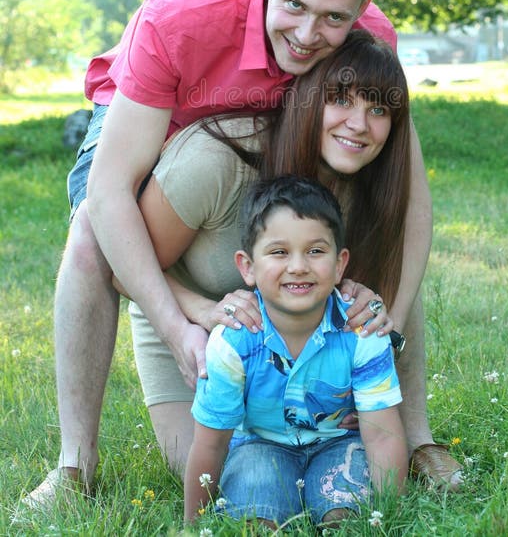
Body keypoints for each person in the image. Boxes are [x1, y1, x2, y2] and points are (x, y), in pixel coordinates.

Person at [23, 0, 460, 511]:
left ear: (359, 14)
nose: (309, 34)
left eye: (334, 18)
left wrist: (389, 319)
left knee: (364, 229)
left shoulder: (368, 38)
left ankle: (418, 441)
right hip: (163, 113)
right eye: (295, 7)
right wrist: (186, 321)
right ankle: (74, 466)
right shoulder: (183, 14)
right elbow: (107, 191)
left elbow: (409, 202)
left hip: (273, 126)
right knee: (94, 237)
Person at [131, 30, 413, 477]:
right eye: (341, 100)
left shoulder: (370, 179)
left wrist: (365, 301)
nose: (359, 124)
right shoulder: (215, 158)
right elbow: (121, 266)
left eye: (378, 109)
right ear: (306, 98)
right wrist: (199, 314)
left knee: (344, 483)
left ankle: (421, 441)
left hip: (309, 346)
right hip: (197, 339)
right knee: (218, 477)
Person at [184, 175, 408, 527]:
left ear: (339, 264)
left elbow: (382, 435)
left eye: (316, 251)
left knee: (347, 517)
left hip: (339, 442)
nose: (299, 266)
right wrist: (191, 526)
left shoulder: (363, 330)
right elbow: (211, 445)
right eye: (279, 252)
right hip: (259, 446)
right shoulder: (232, 343)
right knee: (254, 520)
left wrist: (389, 519)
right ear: (247, 267)